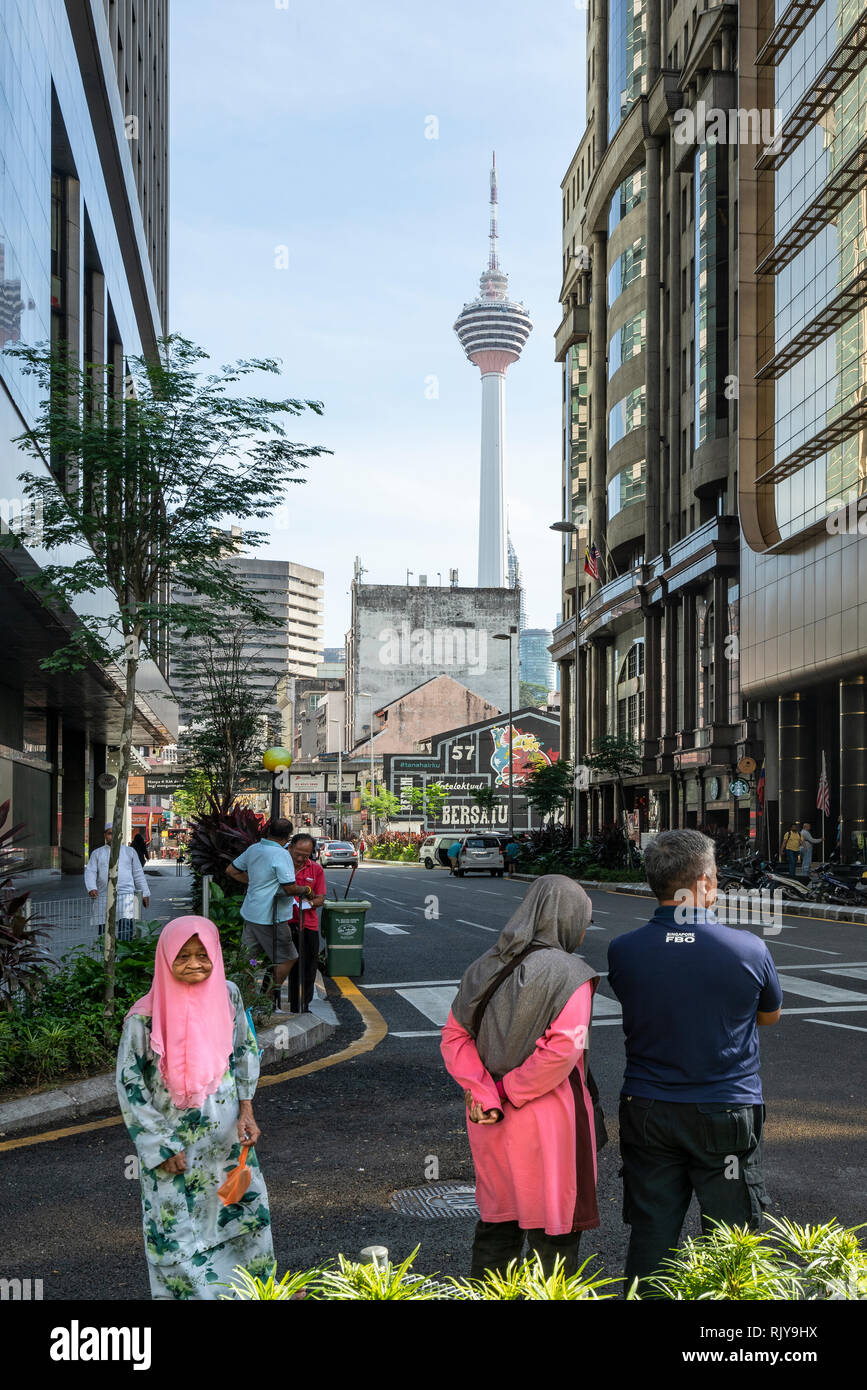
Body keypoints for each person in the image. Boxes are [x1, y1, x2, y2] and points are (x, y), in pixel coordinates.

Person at [607, 829, 782, 1288]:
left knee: (652, 1233)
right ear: (703, 883)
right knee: (731, 1239)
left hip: (646, 1110)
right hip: (726, 1111)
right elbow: (769, 1016)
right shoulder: (747, 948)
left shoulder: (624, 950)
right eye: (717, 877)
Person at [441, 875, 602, 1279]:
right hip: (549, 1119)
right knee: (554, 1229)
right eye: (583, 921)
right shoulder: (572, 975)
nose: (583, 932)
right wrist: (510, 1091)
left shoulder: (484, 965)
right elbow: (564, 1048)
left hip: (488, 1118)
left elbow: (454, 1037)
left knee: (498, 1222)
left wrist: (486, 1094)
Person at [116, 916, 274, 1299]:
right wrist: (160, 1146)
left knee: (240, 1218)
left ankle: (248, 1295)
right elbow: (129, 1084)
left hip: (225, 1139)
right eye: (183, 956)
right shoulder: (144, 1016)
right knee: (178, 1232)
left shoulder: (229, 994)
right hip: (175, 1151)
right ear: (166, 957)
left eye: (203, 955)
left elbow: (244, 1051)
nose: (194, 964)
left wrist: (247, 1110)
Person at [225, 819, 312, 1017]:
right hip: (271, 916)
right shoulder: (281, 854)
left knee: (246, 961)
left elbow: (231, 870)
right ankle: (265, 999)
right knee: (289, 957)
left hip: (251, 911)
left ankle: (244, 1001)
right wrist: (306, 889)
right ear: (287, 837)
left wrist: (255, 881)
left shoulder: (254, 849)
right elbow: (289, 888)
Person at [85, 822, 149, 941]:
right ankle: (106, 957)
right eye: (110, 833)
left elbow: (138, 874)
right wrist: (91, 887)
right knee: (104, 930)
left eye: (115, 834)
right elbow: (90, 872)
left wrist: (144, 893)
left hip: (126, 897)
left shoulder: (130, 852)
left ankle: (124, 956)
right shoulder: (97, 853)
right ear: (105, 835)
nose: (112, 836)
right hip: (104, 896)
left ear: (121, 835)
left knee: (125, 929)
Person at [287, 832, 327, 1012]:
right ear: (290, 848)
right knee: (287, 965)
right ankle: (276, 1002)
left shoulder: (316, 869)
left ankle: (304, 1004)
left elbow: (320, 898)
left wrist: (309, 903)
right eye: (298, 854)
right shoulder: (282, 866)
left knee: (309, 966)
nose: (301, 859)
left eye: (306, 855)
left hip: (308, 924)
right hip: (285, 923)